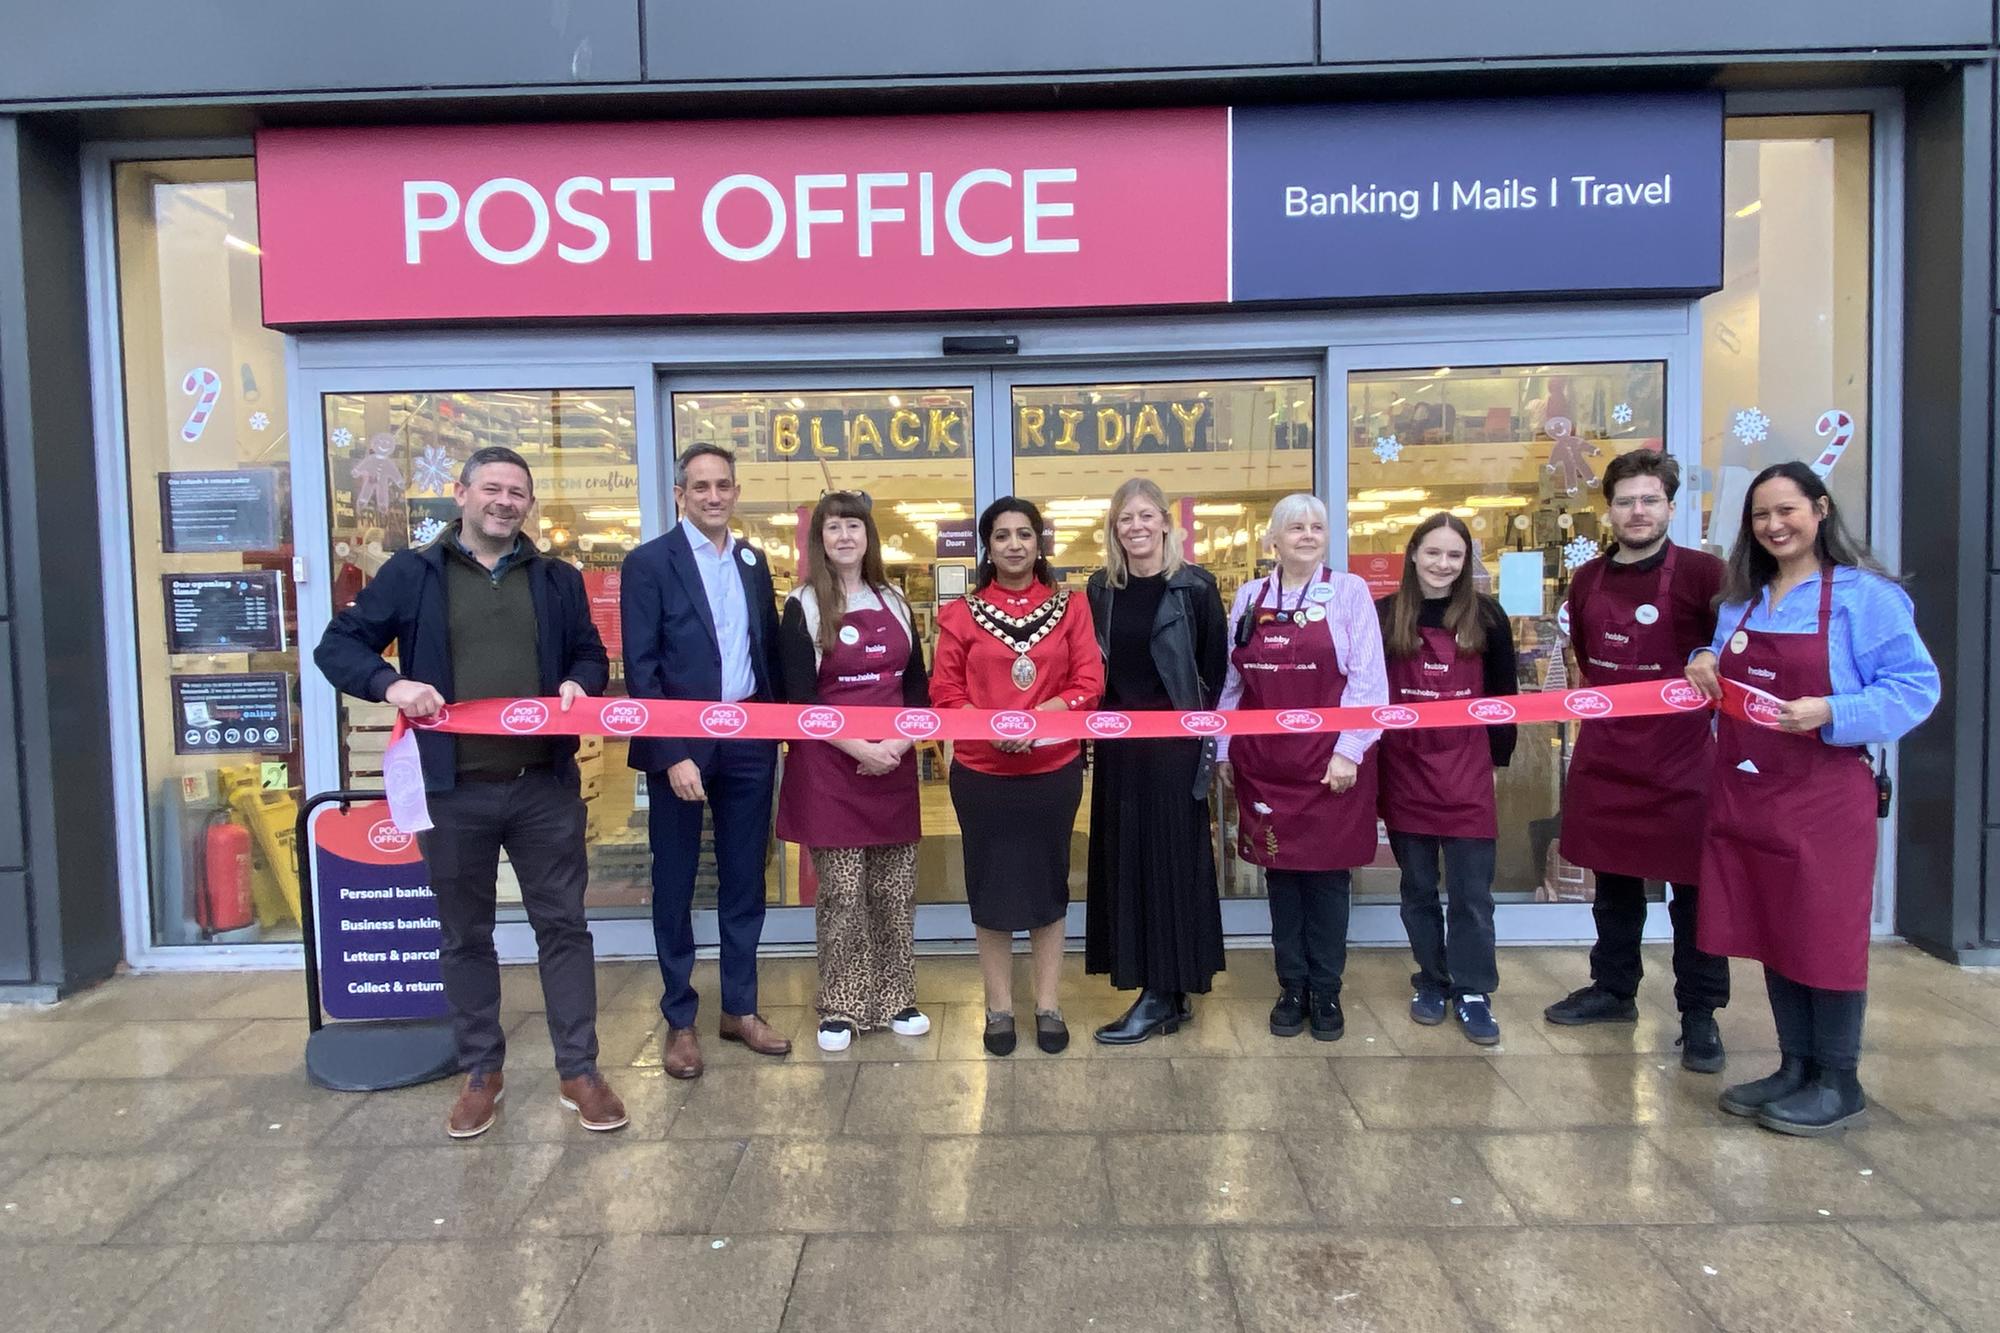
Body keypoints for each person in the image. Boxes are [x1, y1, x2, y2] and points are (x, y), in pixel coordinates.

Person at [314, 446, 626, 1139]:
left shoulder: (555, 578)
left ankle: (579, 1069)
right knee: (465, 934)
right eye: (493, 488)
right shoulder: (414, 574)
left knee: (564, 927)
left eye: (518, 492)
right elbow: (338, 646)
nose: (505, 501)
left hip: (543, 785)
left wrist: (582, 681)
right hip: (452, 792)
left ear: (529, 505)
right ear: (462, 494)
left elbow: (588, 655)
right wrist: (390, 684)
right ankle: (482, 1071)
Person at [1686, 461, 1938, 1135]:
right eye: (1761, 515)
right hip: (1749, 794)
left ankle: (1839, 1077)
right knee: (1775, 928)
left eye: (1787, 510)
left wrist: (1831, 708)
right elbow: (1718, 671)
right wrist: (1701, 660)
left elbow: (1915, 687)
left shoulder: (1865, 597)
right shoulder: (1743, 599)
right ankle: (1794, 1064)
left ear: (1820, 510)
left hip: (1825, 797)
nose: (1774, 525)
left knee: (1824, 934)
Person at [1544, 451, 1733, 1073]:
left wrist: (1708, 651)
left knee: (1693, 893)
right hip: (1608, 752)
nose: (1637, 511)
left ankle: (1700, 1014)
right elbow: (1586, 661)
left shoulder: (1706, 574)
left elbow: (1735, 642)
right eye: (1626, 501)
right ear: (1611, 509)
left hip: (1682, 759)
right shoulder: (1588, 579)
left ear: (1670, 507)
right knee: (1613, 886)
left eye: (1649, 500)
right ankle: (1613, 989)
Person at [621, 443, 790, 1079]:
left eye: (723, 485)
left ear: (735, 491)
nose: (713, 496)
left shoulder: (752, 560)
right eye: (700, 487)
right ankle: (681, 1018)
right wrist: (672, 753)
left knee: (746, 875)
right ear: (680, 495)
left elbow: (764, 647)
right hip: (683, 744)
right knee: (677, 879)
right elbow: (642, 666)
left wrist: (779, 731)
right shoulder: (649, 563)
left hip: (748, 737)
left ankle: (740, 1009)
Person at [932, 497, 1102, 1056]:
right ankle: (998, 1008)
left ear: (1038, 543)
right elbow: (946, 693)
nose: (1013, 545)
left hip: (1052, 770)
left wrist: (1036, 722)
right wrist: (990, 727)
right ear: (988, 546)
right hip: (982, 772)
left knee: (1050, 883)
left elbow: (1087, 682)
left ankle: (1048, 1004)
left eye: (1023, 534)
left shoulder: (1071, 606)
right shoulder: (959, 614)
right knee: (990, 886)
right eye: (1001, 535)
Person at [1216, 493, 1387, 1041]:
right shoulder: (1249, 595)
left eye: (1317, 526)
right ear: (1273, 539)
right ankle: (1290, 987)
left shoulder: (1350, 592)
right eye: (1295, 527)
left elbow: (1367, 679)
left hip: (1329, 764)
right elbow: (1232, 682)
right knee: (1281, 877)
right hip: (1264, 763)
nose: (1307, 535)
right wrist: (1224, 748)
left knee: (1329, 881)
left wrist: (1349, 749)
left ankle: (1326, 990)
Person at [775, 491, 933, 1052]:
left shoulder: (895, 602)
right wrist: (859, 748)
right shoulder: (802, 606)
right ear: (818, 539)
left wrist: (897, 741)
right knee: (842, 891)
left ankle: (897, 996)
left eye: (854, 527)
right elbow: (798, 698)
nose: (844, 537)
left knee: (894, 888)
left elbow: (918, 689)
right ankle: (841, 1003)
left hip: (893, 762)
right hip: (829, 768)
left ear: (869, 536)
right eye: (833, 528)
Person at [1084, 478, 1229, 1044]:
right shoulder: (1102, 588)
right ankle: (1163, 985)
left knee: (1171, 862)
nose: (1136, 526)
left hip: (1173, 750)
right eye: (1126, 518)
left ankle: (1162, 994)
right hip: (1120, 749)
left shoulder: (1195, 588)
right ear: (1114, 528)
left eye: (1146, 516)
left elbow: (1214, 673)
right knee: (1131, 862)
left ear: (1167, 522)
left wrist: (1208, 746)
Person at [1376, 512, 1516, 1046]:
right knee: (1416, 889)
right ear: (1413, 554)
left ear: (1466, 562)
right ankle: (1431, 980)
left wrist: (1497, 765)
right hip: (1405, 768)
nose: (1442, 564)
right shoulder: (1386, 614)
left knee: (1471, 894)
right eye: (1433, 553)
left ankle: (1474, 988)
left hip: (1467, 772)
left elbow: (1504, 699)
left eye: (1454, 556)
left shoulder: (1488, 618)